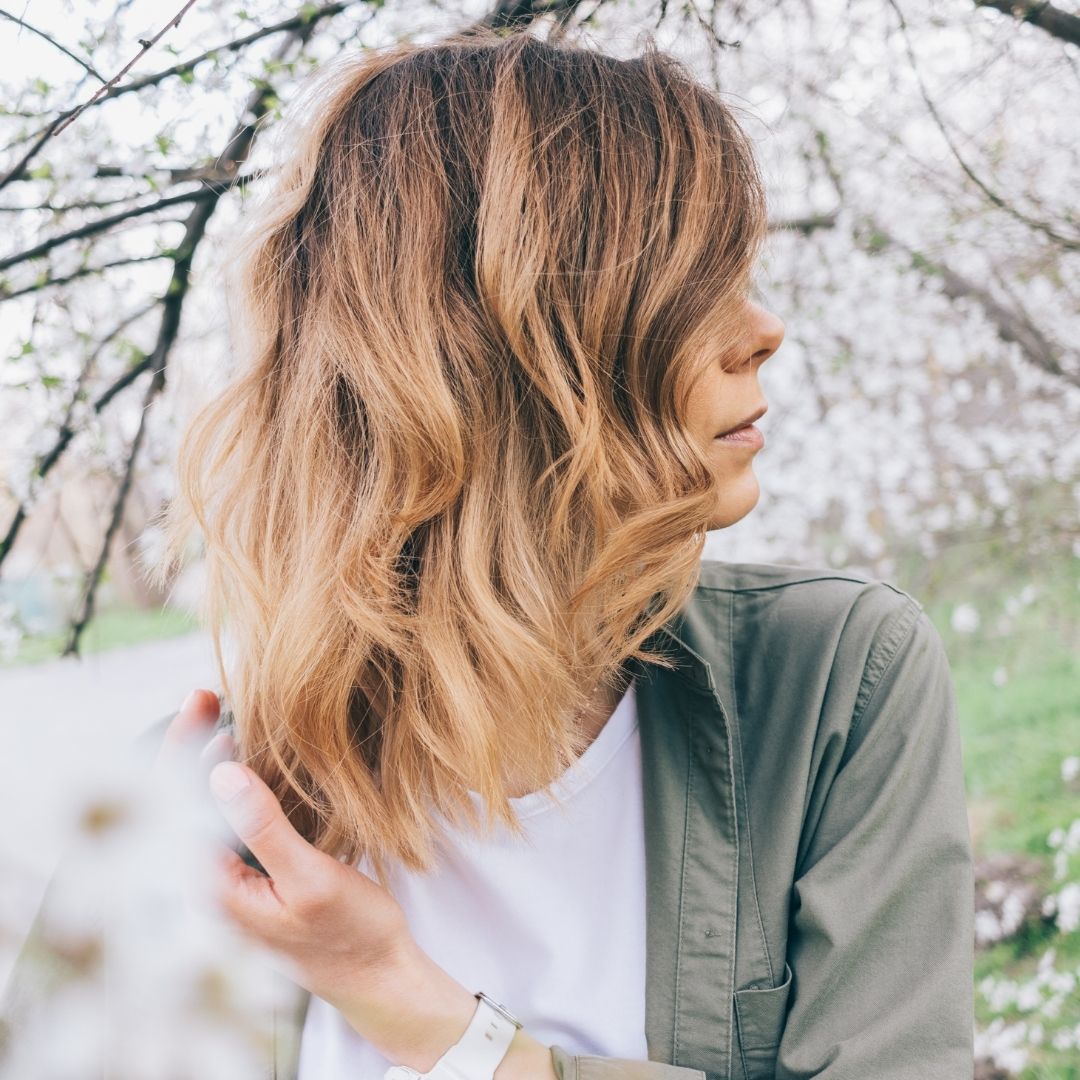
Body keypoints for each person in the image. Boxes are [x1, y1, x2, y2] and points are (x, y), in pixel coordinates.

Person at [0, 27, 975, 1080]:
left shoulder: (830, 683)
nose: (765, 328)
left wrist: (426, 1019)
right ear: (491, 350)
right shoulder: (205, 807)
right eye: (693, 286)